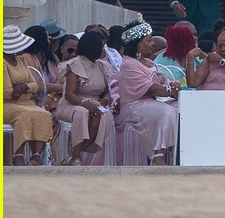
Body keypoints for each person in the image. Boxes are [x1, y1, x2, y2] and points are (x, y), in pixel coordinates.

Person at [116, 19, 179, 165]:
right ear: (137, 44)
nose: (153, 44)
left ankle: (178, 154)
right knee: (167, 112)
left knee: (178, 108)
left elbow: (162, 81)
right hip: (134, 105)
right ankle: (158, 154)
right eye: (149, 40)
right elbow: (152, 87)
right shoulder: (128, 64)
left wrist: (172, 85)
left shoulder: (149, 62)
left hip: (151, 102)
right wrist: (170, 90)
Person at [54, 30, 117, 165]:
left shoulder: (102, 66)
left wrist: (105, 100)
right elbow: (69, 94)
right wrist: (85, 104)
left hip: (94, 104)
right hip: (72, 104)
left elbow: (106, 92)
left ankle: (73, 154)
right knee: (83, 113)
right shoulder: (75, 65)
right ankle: (76, 157)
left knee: (103, 116)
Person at [3, 25, 53, 165]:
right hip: (6, 105)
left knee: (44, 114)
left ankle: (36, 156)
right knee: (24, 115)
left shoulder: (21, 60)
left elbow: (36, 84)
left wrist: (24, 86)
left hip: (26, 102)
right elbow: (7, 93)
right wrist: (23, 89)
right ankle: (17, 154)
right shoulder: (3, 63)